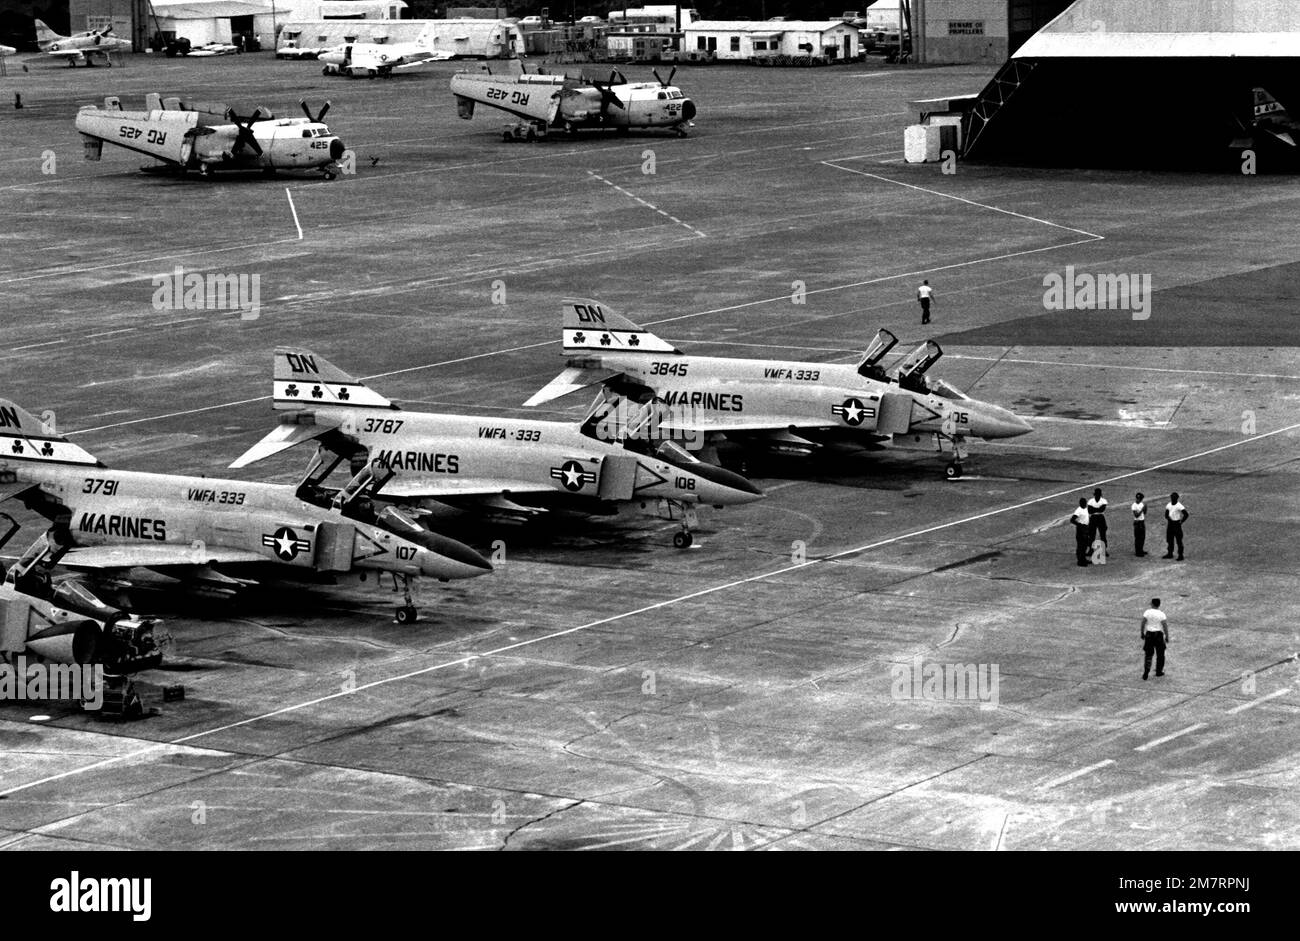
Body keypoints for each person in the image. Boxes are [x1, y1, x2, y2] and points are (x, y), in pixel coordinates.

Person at [1140, 598, 1169, 679]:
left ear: (1152, 604)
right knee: (1160, 654)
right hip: (1158, 635)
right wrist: (1167, 636)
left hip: (1149, 635)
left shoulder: (1147, 612)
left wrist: (1142, 633)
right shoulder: (1161, 614)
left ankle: (1146, 672)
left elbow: (1143, 623)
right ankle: (1159, 671)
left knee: (1148, 654)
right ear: (1159, 605)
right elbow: (1165, 626)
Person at [1163, 492, 1189, 560]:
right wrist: (1169, 519)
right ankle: (1170, 553)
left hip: (1176, 524)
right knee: (1170, 540)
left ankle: (1180, 555)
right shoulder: (1168, 505)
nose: (1172, 498)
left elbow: (1186, 514)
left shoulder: (1179, 506)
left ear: (1177, 498)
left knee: (1179, 540)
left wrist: (1181, 521)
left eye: (1174, 497)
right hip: (1171, 524)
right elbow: (1166, 515)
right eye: (1172, 497)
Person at [1070, 498, 1091, 566]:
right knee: (1081, 546)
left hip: (1086, 528)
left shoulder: (1085, 509)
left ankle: (1083, 559)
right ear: (1080, 504)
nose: (1085, 504)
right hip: (1081, 530)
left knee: (1085, 545)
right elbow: (1072, 520)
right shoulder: (1078, 511)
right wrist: (1080, 525)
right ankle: (1080, 562)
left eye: (1085, 503)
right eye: (1083, 503)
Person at [1132, 492, 1147, 556]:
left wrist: (1145, 508)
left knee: (1142, 537)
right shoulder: (1134, 505)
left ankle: (1141, 550)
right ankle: (1138, 552)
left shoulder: (1141, 504)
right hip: (1137, 523)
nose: (1139, 500)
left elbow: (1145, 513)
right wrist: (1142, 509)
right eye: (1138, 498)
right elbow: (1136, 515)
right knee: (1138, 537)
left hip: (1142, 522)